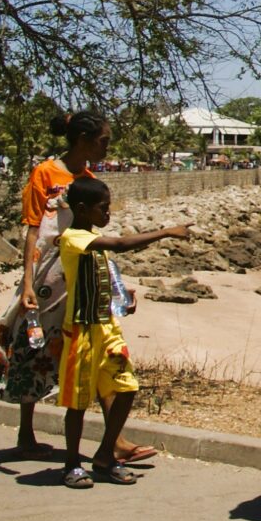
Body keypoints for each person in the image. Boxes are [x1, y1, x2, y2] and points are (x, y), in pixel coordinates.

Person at [0, 108, 162, 462]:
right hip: (48, 274)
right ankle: (26, 431)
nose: (106, 148)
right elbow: (33, 229)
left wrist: (115, 284)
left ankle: (115, 440)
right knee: (34, 346)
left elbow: (93, 237)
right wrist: (27, 283)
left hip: (80, 273)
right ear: (83, 140)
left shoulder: (87, 178)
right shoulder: (45, 172)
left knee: (95, 349)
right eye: (103, 141)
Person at [55, 176, 192, 487]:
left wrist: (120, 296)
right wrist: (166, 232)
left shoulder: (92, 238)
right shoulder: (73, 238)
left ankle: (105, 454)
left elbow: (102, 273)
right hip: (82, 330)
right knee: (77, 403)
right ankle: (72, 463)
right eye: (103, 208)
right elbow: (119, 244)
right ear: (82, 209)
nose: (108, 213)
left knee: (126, 387)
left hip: (106, 327)